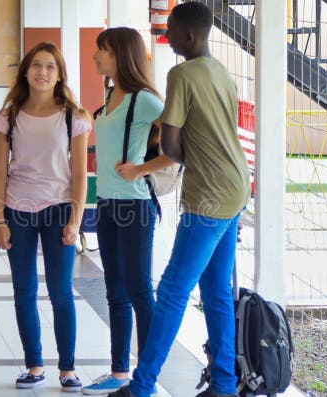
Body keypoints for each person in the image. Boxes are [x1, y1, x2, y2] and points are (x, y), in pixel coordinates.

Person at [107, 3, 251, 397]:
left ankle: (141, 385)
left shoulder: (181, 73)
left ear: (188, 36)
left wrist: (186, 152)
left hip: (210, 195)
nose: (165, 35)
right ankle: (223, 385)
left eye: (169, 30)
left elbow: (171, 143)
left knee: (172, 289)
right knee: (217, 290)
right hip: (237, 186)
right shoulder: (219, 70)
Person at [0, 42, 90, 393]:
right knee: (24, 291)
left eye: (50, 66)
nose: (42, 72)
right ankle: (34, 365)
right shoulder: (9, 116)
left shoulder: (74, 117)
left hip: (59, 210)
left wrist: (75, 221)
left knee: (61, 291)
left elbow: (80, 175)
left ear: (60, 74)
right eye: (36, 65)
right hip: (17, 210)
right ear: (26, 72)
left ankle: (68, 368)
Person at [81, 27, 175, 395]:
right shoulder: (109, 99)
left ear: (120, 54)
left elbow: (180, 145)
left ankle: (148, 376)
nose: (95, 56)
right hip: (107, 204)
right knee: (115, 291)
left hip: (134, 207)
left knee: (138, 291)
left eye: (101, 50)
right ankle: (119, 372)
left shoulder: (144, 101)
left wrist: (140, 169)